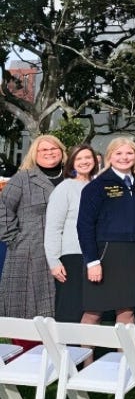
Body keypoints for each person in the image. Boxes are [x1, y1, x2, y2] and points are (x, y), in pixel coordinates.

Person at [78, 138, 135, 325]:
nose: (124, 157)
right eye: (119, 153)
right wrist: (92, 261)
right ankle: (83, 347)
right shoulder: (96, 186)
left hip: (134, 254)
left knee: (127, 312)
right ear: (109, 157)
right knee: (94, 312)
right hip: (105, 254)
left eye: (129, 153)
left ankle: (125, 347)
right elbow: (84, 226)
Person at [0, 135, 67, 324]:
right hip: (30, 251)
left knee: (63, 307)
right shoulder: (23, 178)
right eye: (43, 149)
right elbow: (3, 208)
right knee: (28, 310)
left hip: (66, 250)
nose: (49, 152)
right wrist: (14, 239)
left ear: (62, 151)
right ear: (34, 154)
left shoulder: (71, 177)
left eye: (54, 148)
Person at [44, 143, 99, 323]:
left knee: (92, 310)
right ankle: (64, 342)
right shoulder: (65, 188)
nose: (84, 162)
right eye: (79, 158)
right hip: (72, 256)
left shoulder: (99, 186)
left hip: (96, 256)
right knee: (71, 308)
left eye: (88, 157)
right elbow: (53, 227)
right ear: (72, 163)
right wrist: (54, 261)